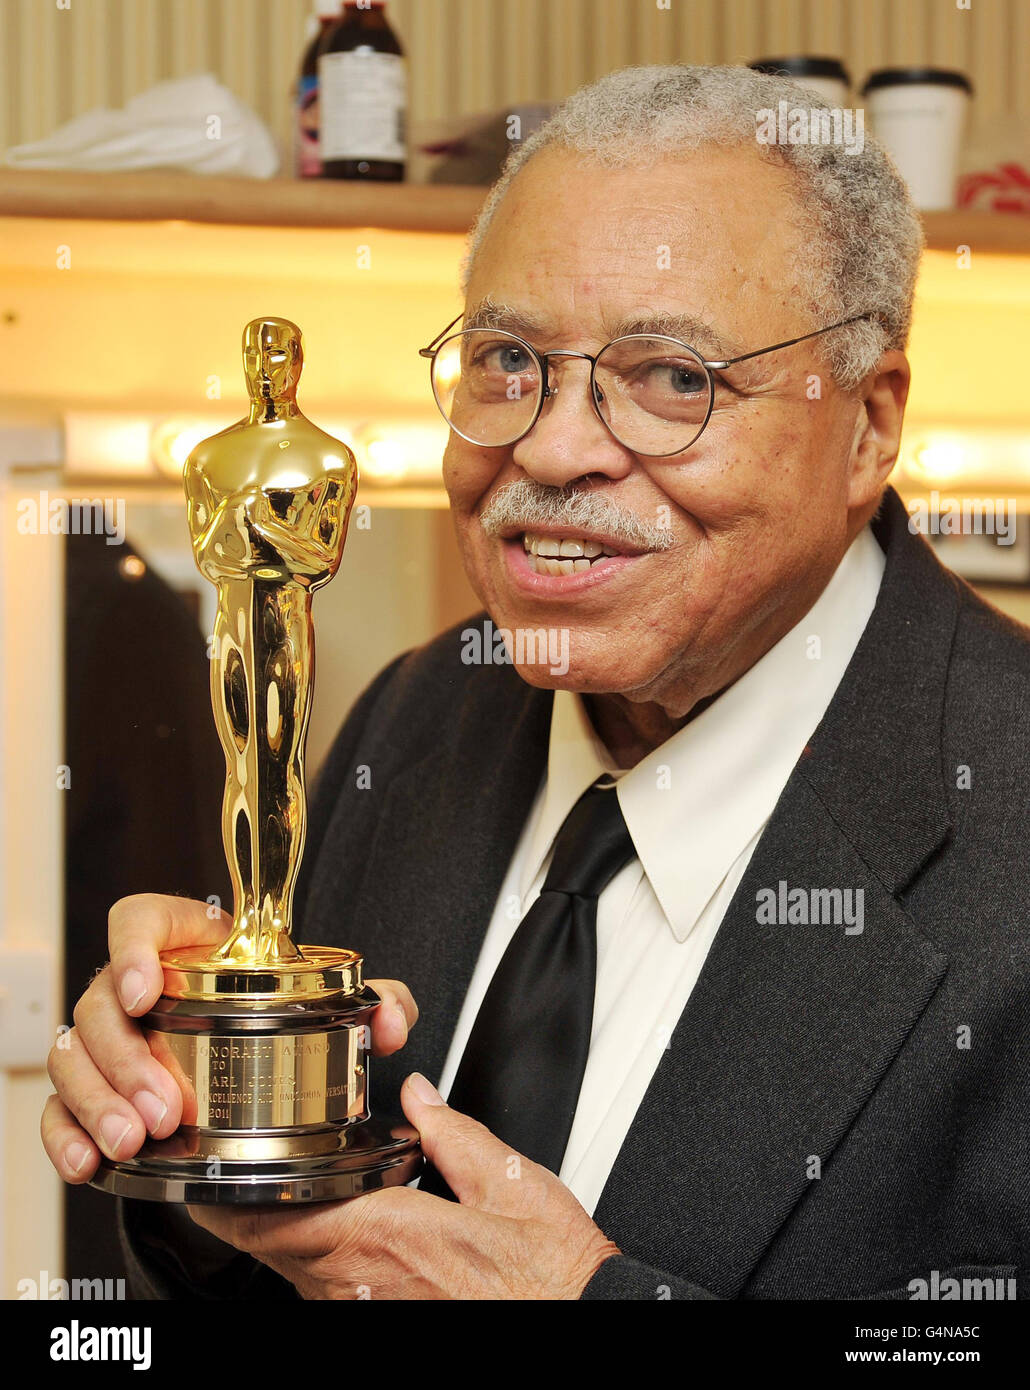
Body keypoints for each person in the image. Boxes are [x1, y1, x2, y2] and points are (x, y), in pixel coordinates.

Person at [42, 64, 1030, 1300]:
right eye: (507, 359)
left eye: (675, 377)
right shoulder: (415, 720)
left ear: (869, 427)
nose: (552, 446)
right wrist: (206, 1141)